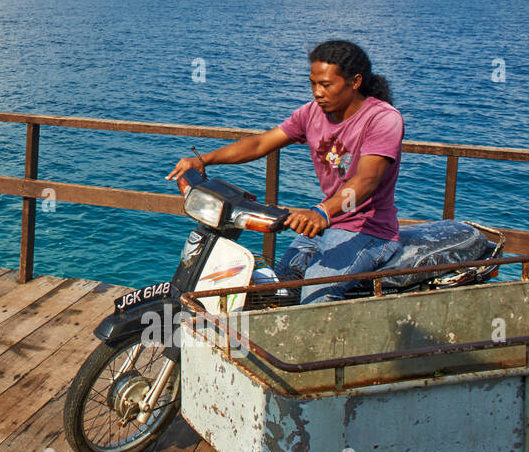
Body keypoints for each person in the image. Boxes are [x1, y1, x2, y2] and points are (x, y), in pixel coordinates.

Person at [165, 40, 403, 304]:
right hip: (323, 226)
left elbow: (368, 178)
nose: (317, 92)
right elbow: (260, 143)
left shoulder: (382, 119)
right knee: (277, 292)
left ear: (355, 81)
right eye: (313, 83)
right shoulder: (312, 114)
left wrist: (324, 211)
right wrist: (203, 160)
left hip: (368, 232)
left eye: (326, 84)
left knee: (314, 296)